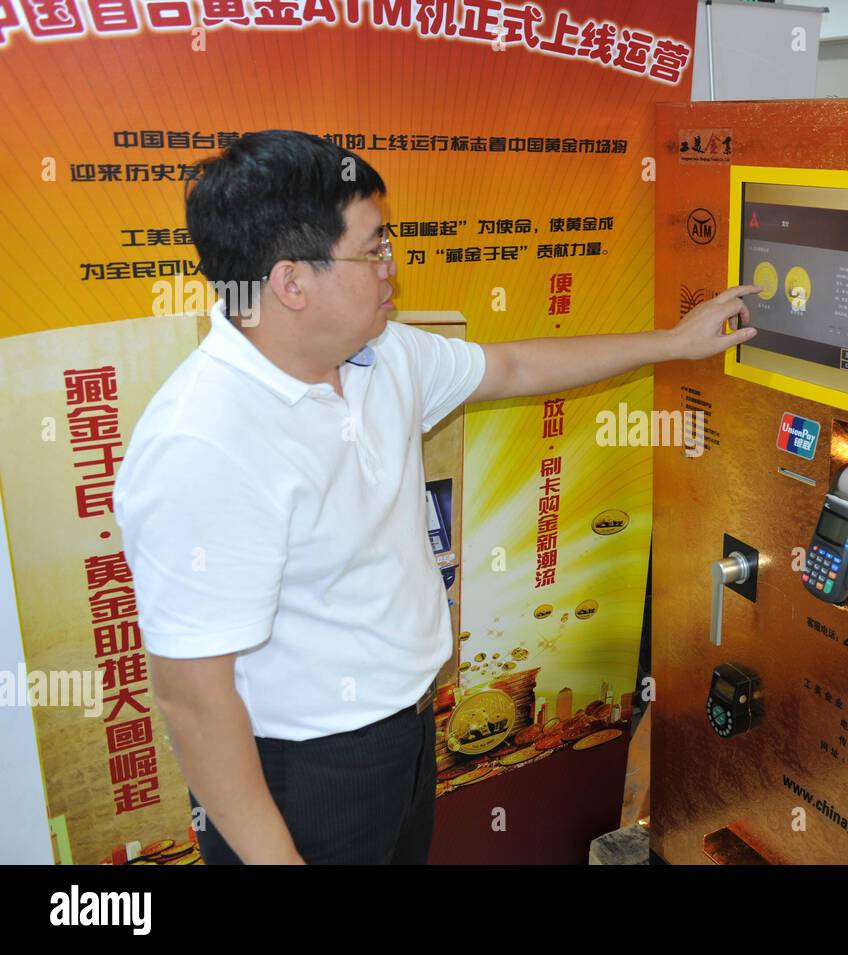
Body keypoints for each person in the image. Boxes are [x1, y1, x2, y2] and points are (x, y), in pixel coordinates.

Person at [112, 129, 759, 865]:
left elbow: (512, 366)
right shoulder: (204, 443)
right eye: (375, 247)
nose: (394, 267)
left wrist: (672, 343)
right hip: (301, 777)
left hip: (408, 733)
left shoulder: (379, 354)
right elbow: (194, 702)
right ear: (292, 282)